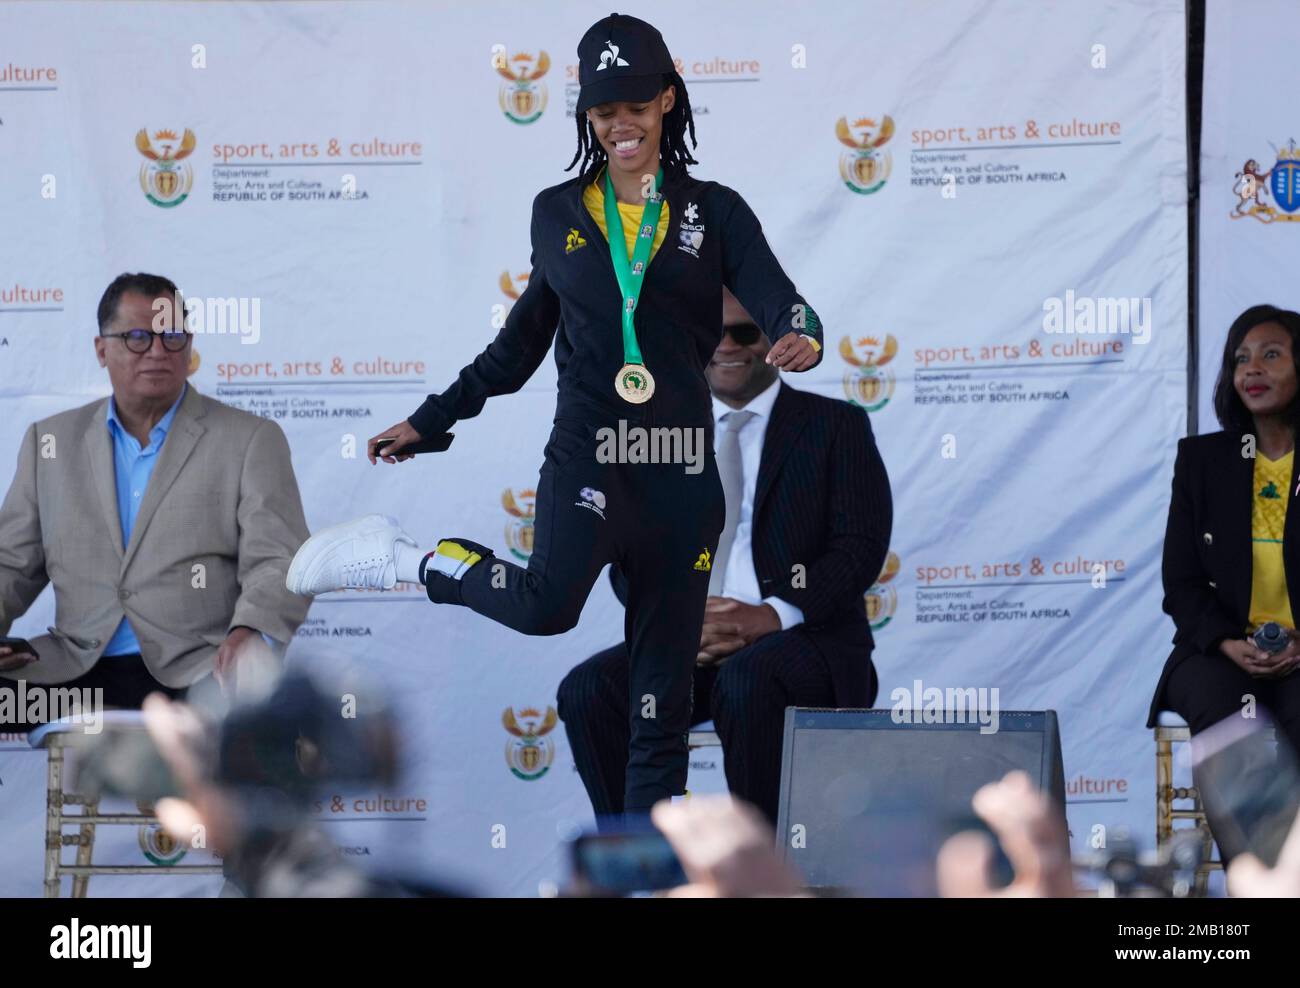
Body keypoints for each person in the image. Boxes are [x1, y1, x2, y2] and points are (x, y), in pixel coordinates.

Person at [286, 13, 826, 814]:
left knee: (661, 706)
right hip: (591, 453)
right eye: (603, 108)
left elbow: (775, 290)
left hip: (681, 475)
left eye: (635, 104)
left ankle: (649, 872)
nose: (620, 123)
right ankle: (410, 560)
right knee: (546, 606)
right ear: (587, 115)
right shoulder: (558, 212)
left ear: (668, 101)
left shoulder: (715, 210)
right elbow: (523, 339)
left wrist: (800, 329)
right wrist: (436, 417)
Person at [558, 289, 891, 825]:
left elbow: (859, 549)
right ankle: (635, 862)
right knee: (590, 690)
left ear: (776, 342)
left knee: (748, 680)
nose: (725, 346)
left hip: (807, 645)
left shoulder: (836, 426)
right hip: (689, 647)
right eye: (710, 333)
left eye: (744, 332)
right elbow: (628, 552)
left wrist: (770, 616)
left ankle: (761, 871)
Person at [0, 273, 311, 731]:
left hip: (199, 674)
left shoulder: (249, 439)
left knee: (264, 709)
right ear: (101, 349)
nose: (158, 351)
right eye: (138, 337)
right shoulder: (50, 442)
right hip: (74, 676)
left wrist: (250, 631)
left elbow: (280, 561)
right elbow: (12, 563)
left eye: (172, 335)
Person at [1149, 304, 1300, 855]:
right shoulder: (1203, 460)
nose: (1252, 370)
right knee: (1230, 721)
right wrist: (1228, 643)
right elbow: (1181, 582)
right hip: (1217, 651)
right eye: (1241, 359)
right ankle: (1257, 880)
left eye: (1271, 355)